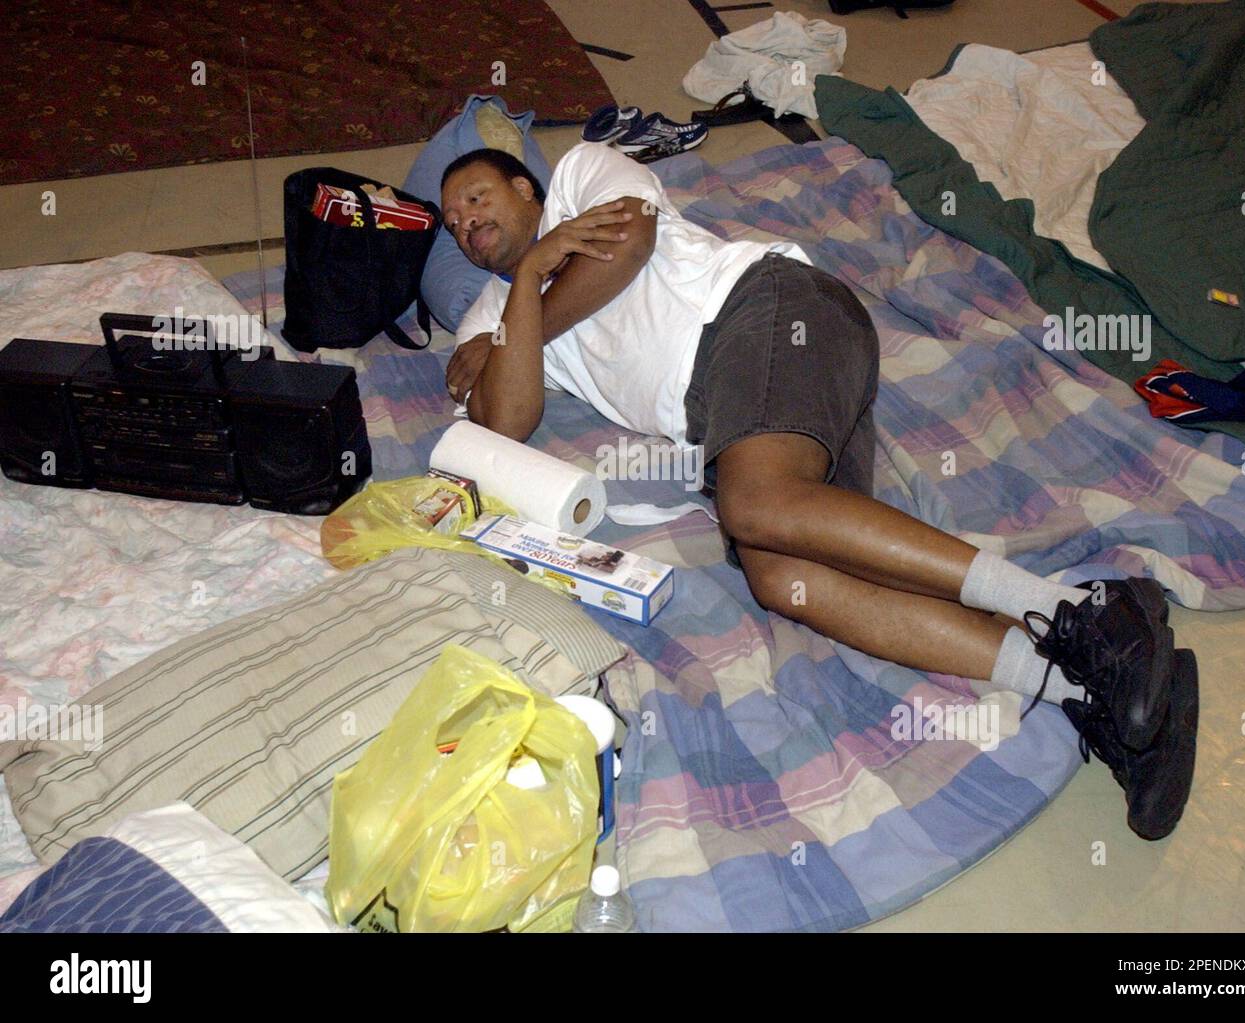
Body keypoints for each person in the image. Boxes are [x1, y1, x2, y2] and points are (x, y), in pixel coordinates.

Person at [440, 143, 1198, 840]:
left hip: (769, 314)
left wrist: (526, 315)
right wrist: (528, 287)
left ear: (522, 184)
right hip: (743, 413)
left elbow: (632, 242)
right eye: (452, 221)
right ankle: (1084, 688)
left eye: (476, 197)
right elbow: (506, 417)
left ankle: (1081, 614)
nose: (467, 222)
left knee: (756, 504)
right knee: (784, 579)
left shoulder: (580, 176)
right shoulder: (495, 310)